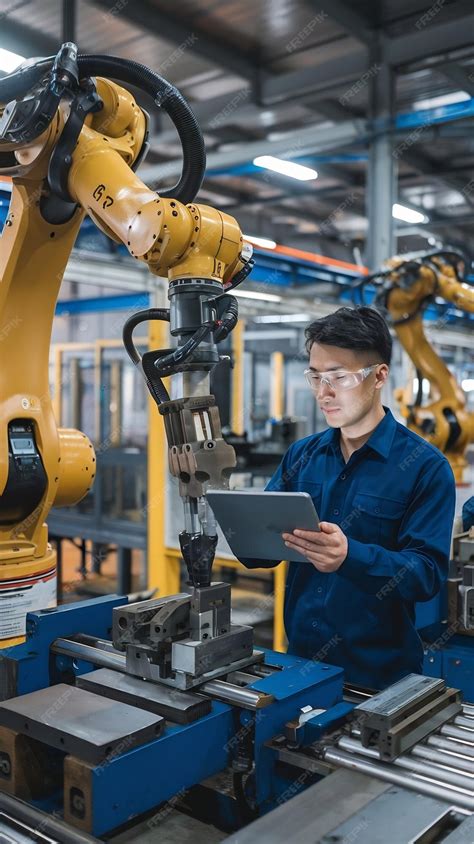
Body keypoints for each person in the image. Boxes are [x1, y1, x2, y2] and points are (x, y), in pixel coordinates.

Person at [239, 306, 455, 690]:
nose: (324, 393)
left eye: (339, 377)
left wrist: (349, 556)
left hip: (380, 678)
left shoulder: (425, 467)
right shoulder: (301, 456)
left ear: (379, 376)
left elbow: (425, 575)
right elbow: (260, 552)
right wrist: (239, 525)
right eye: (316, 377)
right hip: (300, 664)